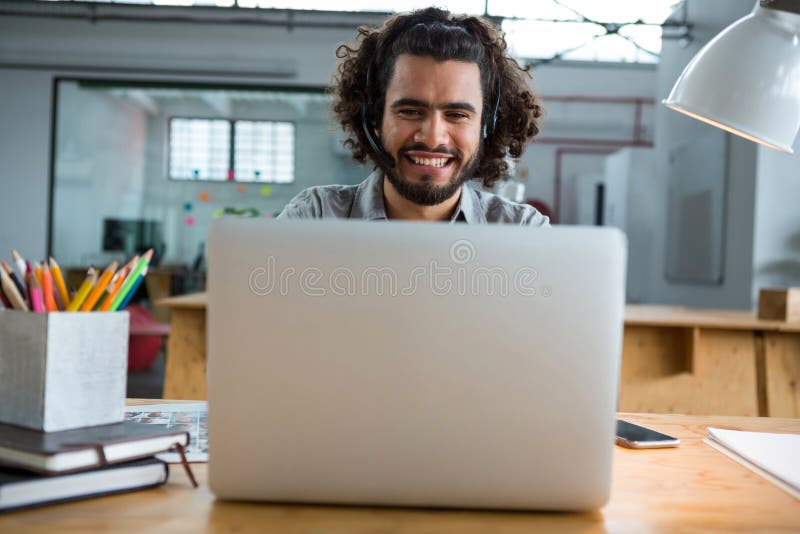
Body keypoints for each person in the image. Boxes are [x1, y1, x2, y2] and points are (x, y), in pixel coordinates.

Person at [278, 7, 548, 225]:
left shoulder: (521, 232)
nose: (432, 137)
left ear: (486, 125)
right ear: (374, 118)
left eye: (456, 114)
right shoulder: (314, 218)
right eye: (410, 111)